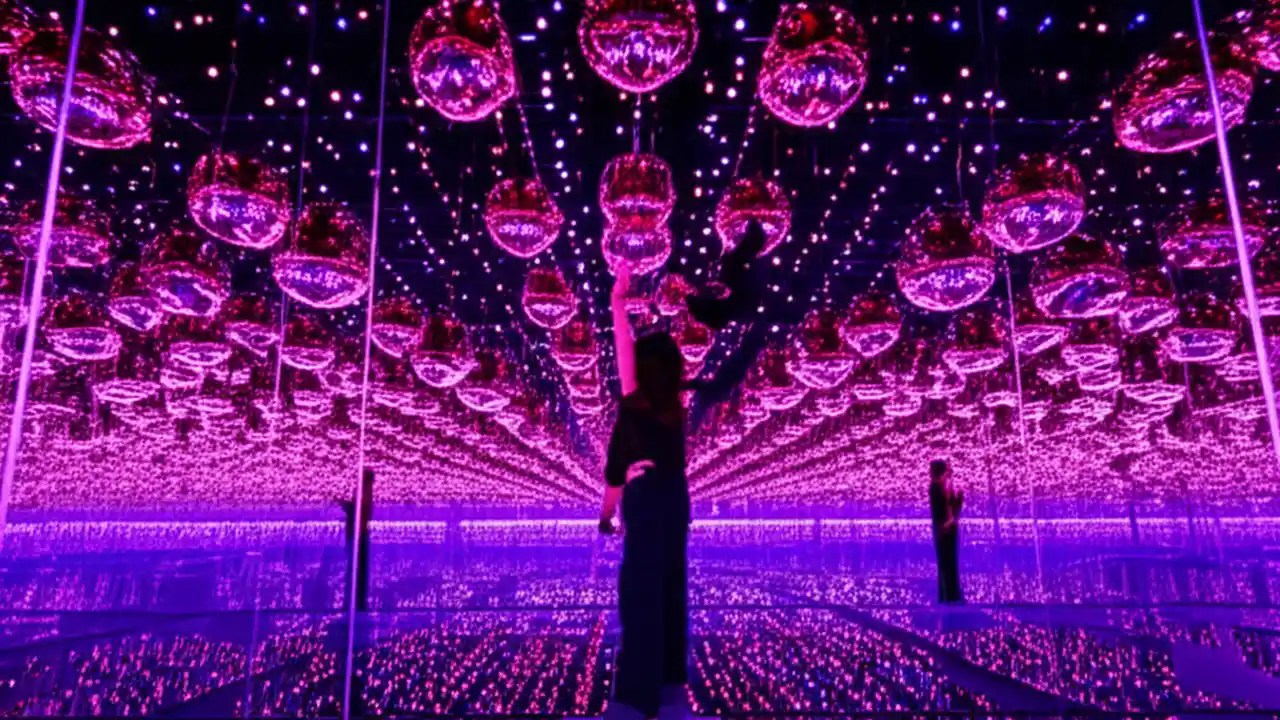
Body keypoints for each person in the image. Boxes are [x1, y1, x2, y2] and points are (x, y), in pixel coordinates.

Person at [598, 268, 693, 720]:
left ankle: (640, 691)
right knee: (672, 584)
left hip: (649, 493)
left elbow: (622, 347)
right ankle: (670, 673)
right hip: (677, 497)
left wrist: (619, 302)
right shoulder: (677, 407)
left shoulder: (638, 398)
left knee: (639, 590)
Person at [928, 459, 964, 604]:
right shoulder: (936, 488)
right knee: (946, 564)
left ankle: (950, 595)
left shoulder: (943, 487)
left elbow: (951, 509)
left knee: (949, 563)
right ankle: (948, 596)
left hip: (948, 530)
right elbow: (940, 512)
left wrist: (957, 501)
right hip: (944, 531)